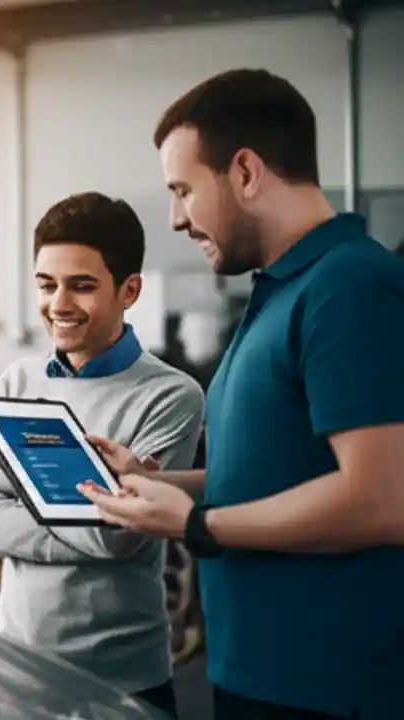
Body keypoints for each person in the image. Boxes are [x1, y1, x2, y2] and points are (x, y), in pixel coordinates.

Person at [79, 68, 404, 720]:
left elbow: (381, 498)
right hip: (262, 672)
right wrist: (169, 485)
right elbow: (286, 468)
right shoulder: (282, 291)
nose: (174, 218)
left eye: (182, 190)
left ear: (247, 173)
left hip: (326, 689)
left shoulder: (349, 285)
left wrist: (197, 525)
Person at [0, 191, 205, 717]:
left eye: (82, 286)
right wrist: (86, 508)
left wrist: (31, 510)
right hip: (19, 668)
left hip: (123, 680)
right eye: (47, 285)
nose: (59, 304)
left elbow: (116, 536)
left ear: (130, 290)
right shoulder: (16, 383)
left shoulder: (170, 395)